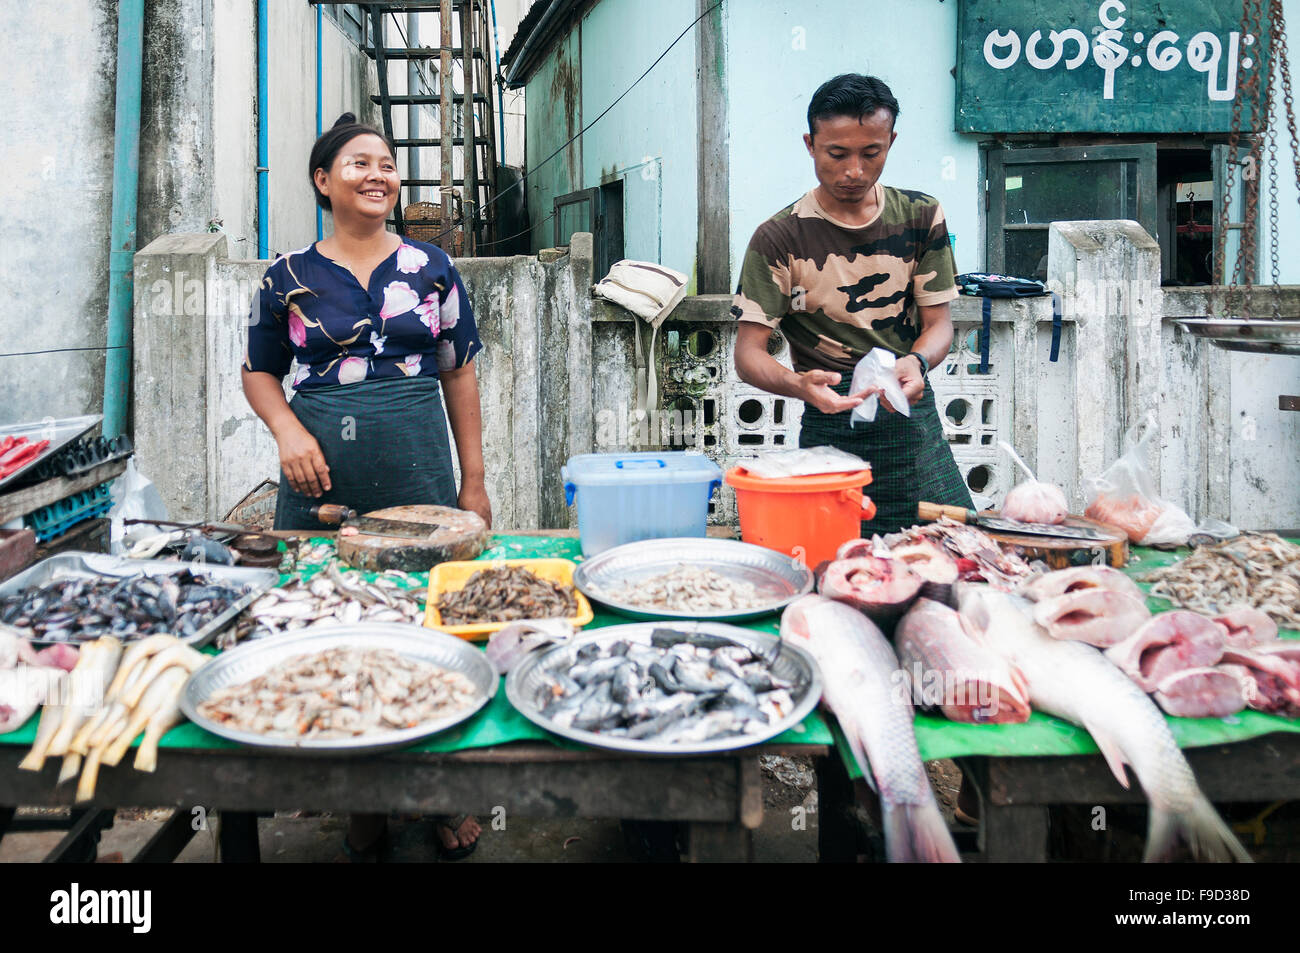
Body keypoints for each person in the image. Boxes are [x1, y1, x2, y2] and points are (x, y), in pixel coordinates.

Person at [241, 113, 490, 861]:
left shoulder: (432, 267)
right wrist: (288, 432)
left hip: (417, 463)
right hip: (322, 471)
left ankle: (441, 791)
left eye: (386, 163)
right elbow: (258, 370)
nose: (378, 174)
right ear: (323, 180)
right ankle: (362, 800)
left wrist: (473, 481)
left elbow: (461, 368)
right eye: (358, 163)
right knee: (329, 620)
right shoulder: (286, 276)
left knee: (427, 621)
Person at [731, 74, 974, 535]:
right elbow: (748, 355)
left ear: (891, 141)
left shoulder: (922, 216)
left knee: (949, 551)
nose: (854, 172)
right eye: (837, 154)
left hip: (910, 413)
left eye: (872, 153)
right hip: (830, 417)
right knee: (835, 559)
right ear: (810, 143)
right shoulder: (779, 237)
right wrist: (801, 385)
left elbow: (939, 323)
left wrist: (918, 362)